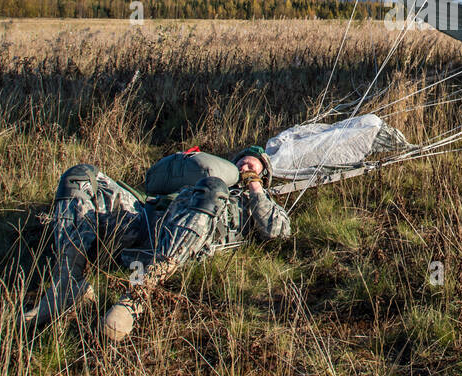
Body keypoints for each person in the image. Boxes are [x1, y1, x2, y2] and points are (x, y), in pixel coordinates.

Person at [23, 145, 290, 342]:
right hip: (141, 220)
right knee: (80, 175)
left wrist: (256, 189)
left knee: (211, 188)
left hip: (178, 240)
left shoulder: (254, 202)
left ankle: (136, 296)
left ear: (263, 175)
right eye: (240, 164)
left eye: (251, 166)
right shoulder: (201, 179)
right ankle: (67, 284)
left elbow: (277, 231)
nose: (243, 168)